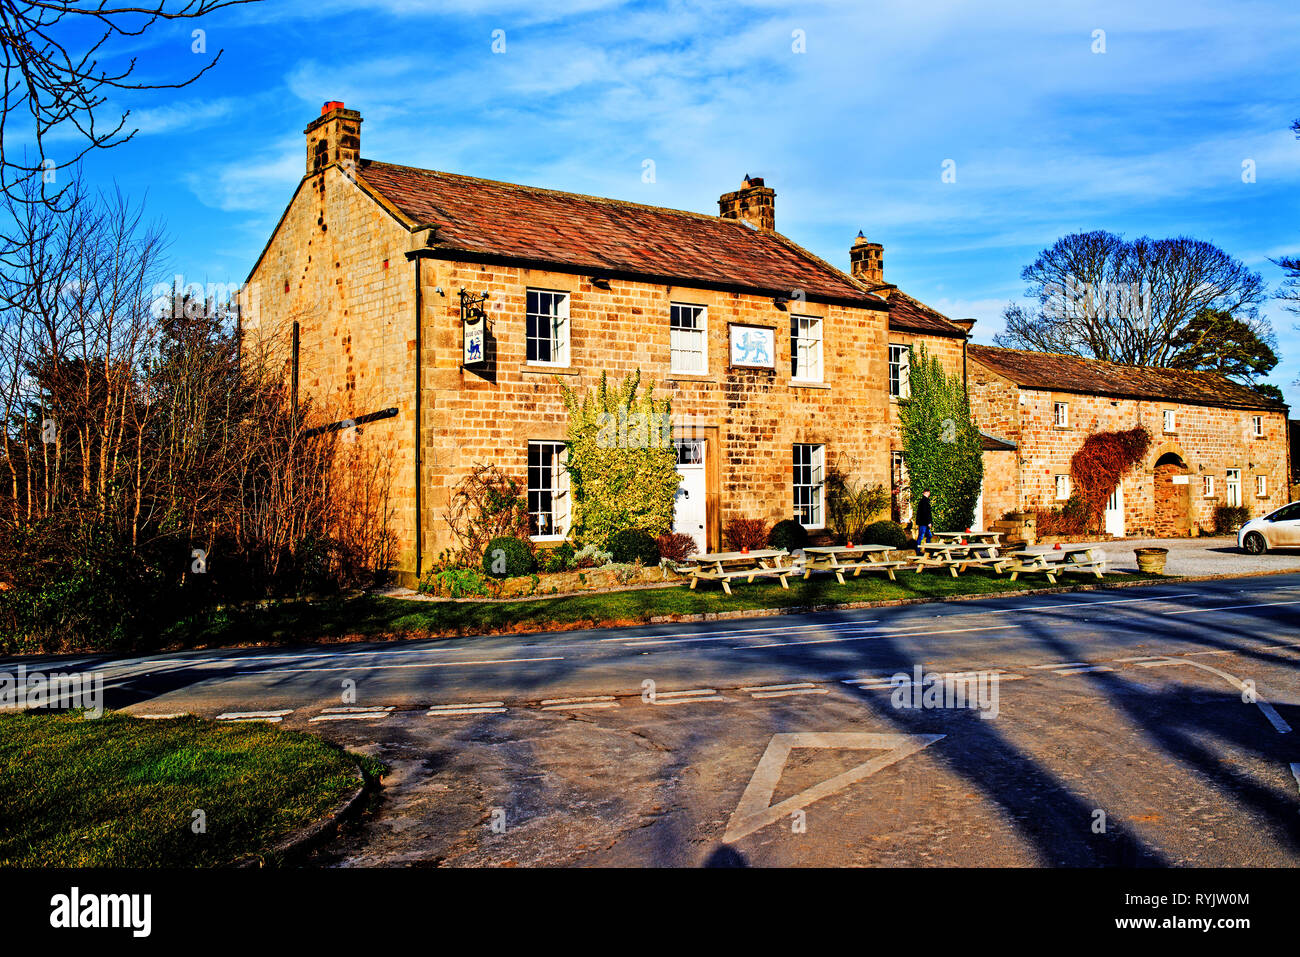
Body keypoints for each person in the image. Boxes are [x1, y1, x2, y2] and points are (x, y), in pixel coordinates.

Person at [915, 489, 934, 554]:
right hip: (924, 523)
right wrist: (929, 522)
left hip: (923, 522)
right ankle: (919, 551)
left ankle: (927, 550)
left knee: (927, 536)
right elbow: (926, 513)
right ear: (927, 493)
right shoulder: (925, 501)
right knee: (921, 536)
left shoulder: (922, 501)